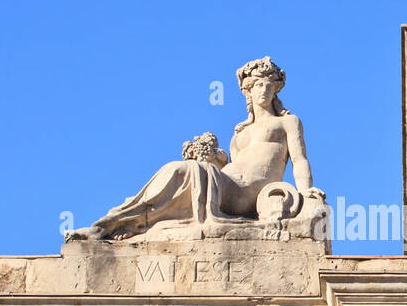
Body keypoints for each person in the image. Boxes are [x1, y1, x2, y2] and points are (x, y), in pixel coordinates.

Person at [66, 56, 320, 241]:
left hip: (247, 195)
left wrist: (306, 190)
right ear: (248, 92)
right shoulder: (239, 133)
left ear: (275, 90)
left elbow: (299, 160)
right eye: (257, 86)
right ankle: (112, 224)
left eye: (268, 86)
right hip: (224, 183)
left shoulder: (287, 122)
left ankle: (116, 223)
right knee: (181, 170)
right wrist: (215, 160)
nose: (263, 91)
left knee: (189, 172)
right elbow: (234, 165)